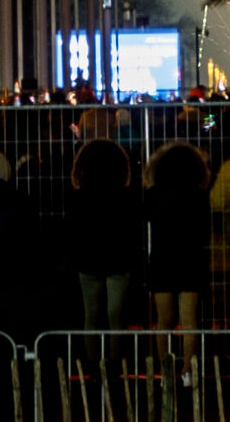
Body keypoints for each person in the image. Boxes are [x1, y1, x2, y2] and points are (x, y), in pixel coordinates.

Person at [67, 142, 141, 331]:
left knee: (92, 315)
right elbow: (133, 229)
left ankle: (93, 351)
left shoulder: (79, 197)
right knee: (117, 316)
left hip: (88, 259)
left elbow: (74, 229)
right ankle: (116, 351)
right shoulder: (126, 197)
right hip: (119, 260)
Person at [142, 145, 212, 334]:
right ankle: (190, 356)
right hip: (191, 258)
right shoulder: (198, 195)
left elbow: (144, 217)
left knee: (163, 320)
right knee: (189, 321)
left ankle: (164, 355)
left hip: (162, 258)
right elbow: (206, 225)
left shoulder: (154, 194)